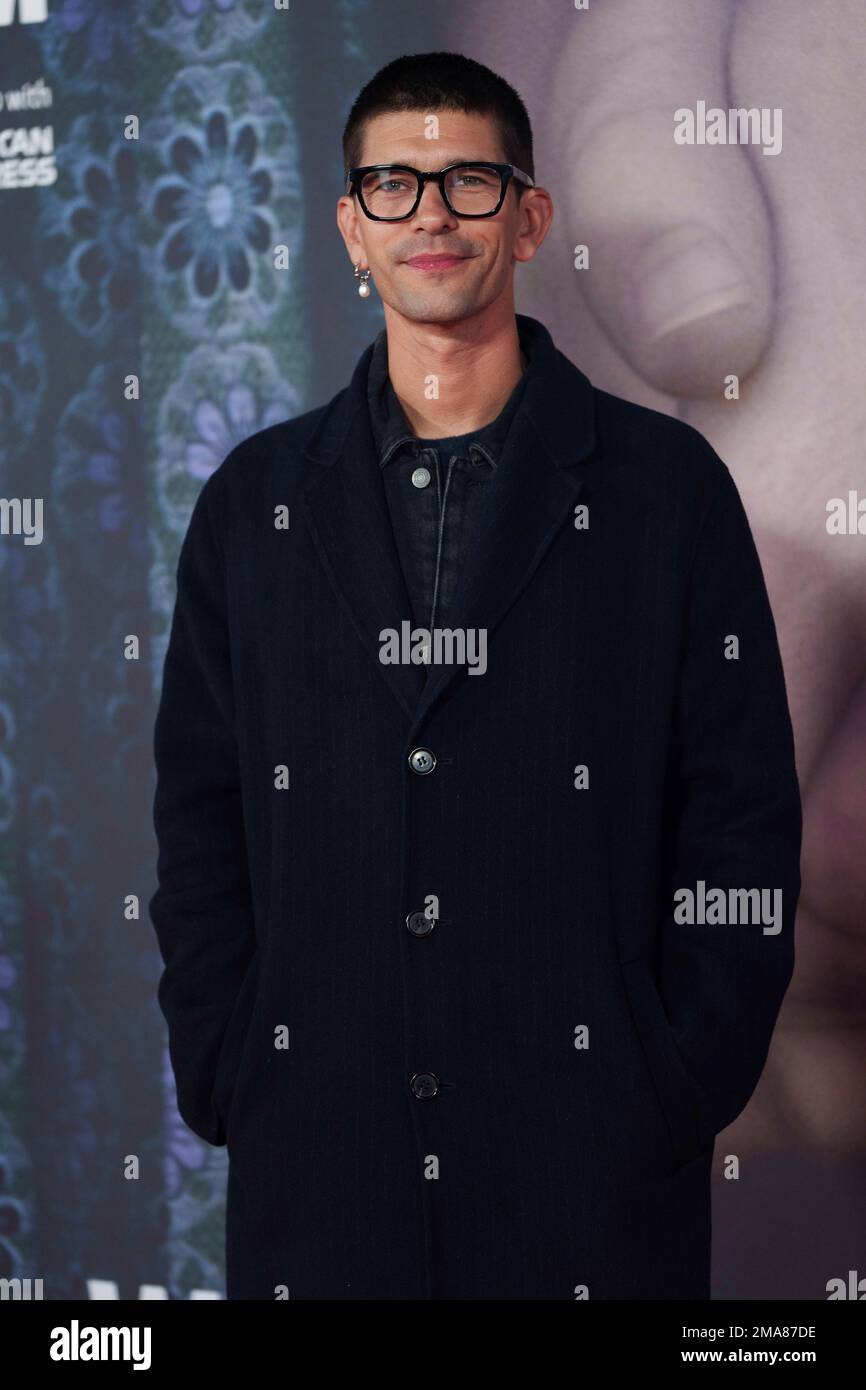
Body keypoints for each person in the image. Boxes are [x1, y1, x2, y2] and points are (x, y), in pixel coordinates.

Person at [149, 51, 802, 1301]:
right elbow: (200, 815)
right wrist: (232, 1062)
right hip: (320, 1170)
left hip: (588, 1182)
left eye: (465, 180)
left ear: (529, 214)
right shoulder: (254, 504)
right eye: (391, 184)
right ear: (350, 227)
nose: (430, 213)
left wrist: (668, 1078)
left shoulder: (664, 490)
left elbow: (737, 817)